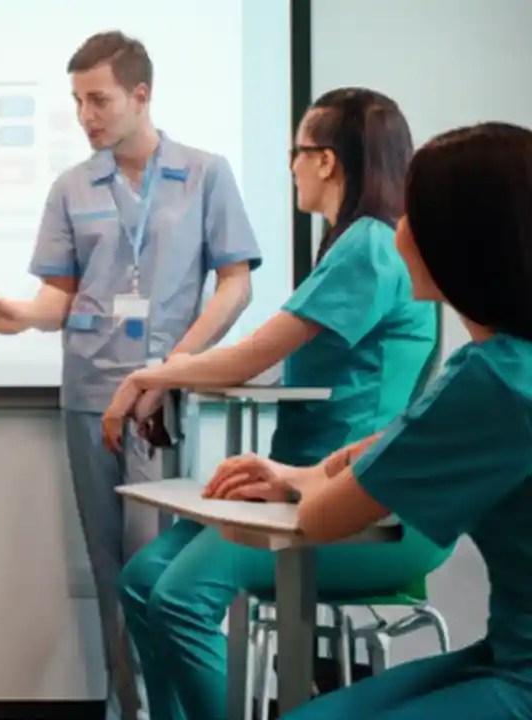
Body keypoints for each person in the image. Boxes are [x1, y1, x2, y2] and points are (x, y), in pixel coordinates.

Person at [106, 88, 455, 720]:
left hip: (359, 500)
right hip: (295, 484)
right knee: (142, 580)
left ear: (324, 161)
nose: (289, 166)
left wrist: (147, 377)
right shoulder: (354, 244)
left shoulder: (369, 246)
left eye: (295, 152)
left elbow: (252, 357)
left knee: (181, 597)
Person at [0, 31, 260, 718]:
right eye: (77, 102)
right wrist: (12, 315)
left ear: (141, 94)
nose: (87, 116)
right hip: (91, 397)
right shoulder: (72, 187)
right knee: (109, 571)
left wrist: (172, 367)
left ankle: (174, 710)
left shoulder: (205, 173)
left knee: (157, 570)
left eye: (98, 100)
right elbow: (59, 301)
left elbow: (234, 286)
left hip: (168, 401)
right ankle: (126, 709)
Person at [213, 122, 532, 719]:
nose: (398, 229)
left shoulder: (488, 379)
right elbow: (390, 449)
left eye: (411, 213)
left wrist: (331, 476)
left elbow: (321, 517)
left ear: (457, 238)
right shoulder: (507, 369)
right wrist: (306, 472)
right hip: (508, 652)